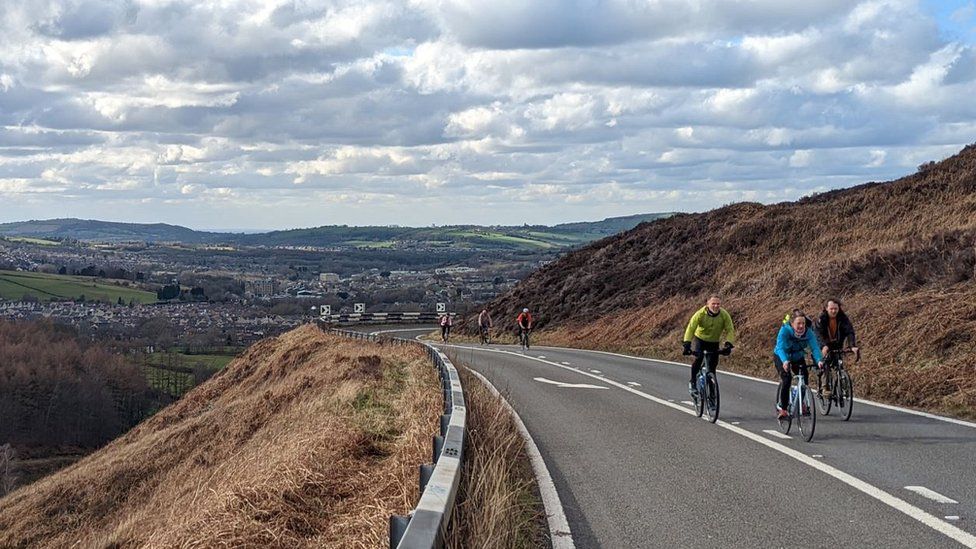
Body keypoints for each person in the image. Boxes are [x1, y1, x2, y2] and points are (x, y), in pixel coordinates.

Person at [774, 310, 824, 418]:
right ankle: (783, 408)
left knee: (804, 378)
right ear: (792, 324)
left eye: (803, 323)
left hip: (797, 356)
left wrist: (819, 360)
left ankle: (801, 402)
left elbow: (815, 347)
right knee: (787, 379)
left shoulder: (809, 332)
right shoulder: (784, 330)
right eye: (798, 323)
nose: (801, 326)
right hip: (782, 356)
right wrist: (784, 361)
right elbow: (780, 347)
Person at [682, 295, 735, 394]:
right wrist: (687, 343)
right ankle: (693, 382)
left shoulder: (724, 315)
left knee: (712, 368)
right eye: (713, 304)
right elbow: (691, 327)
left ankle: (712, 393)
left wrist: (728, 344)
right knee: (699, 358)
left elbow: (730, 330)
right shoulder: (700, 314)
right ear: (707, 304)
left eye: (718, 304)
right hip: (700, 340)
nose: (716, 306)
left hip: (714, 342)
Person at [816, 299, 859, 398]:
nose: (834, 311)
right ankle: (825, 388)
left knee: (839, 365)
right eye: (831, 309)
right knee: (826, 365)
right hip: (824, 344)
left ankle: (843, 386)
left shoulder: (843, 318)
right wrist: (823, 345)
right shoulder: (821, 319)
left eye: (836, 309)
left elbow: (849, 332)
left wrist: (852, 346)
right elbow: (818, 335)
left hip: (837, 344)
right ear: (826, 308)